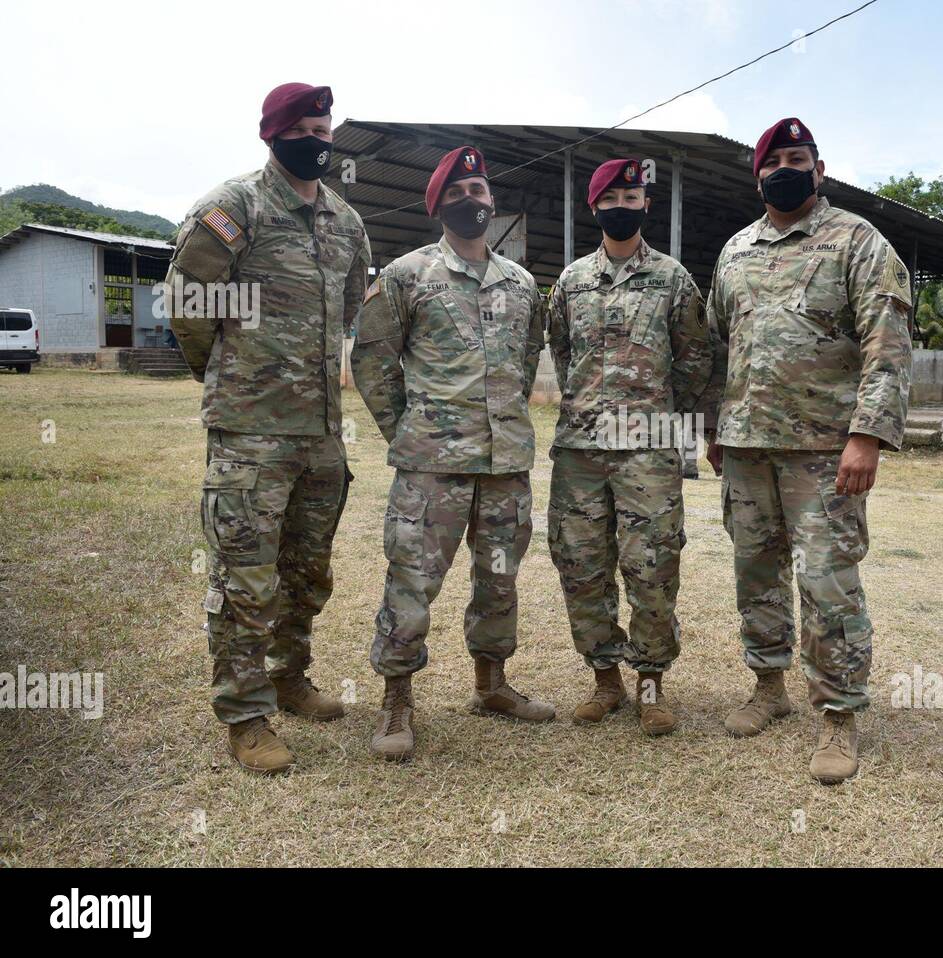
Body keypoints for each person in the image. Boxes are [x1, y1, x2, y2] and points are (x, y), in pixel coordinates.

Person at [700, 117, 913, 784]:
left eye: (799, 158)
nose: (786, 168)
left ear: (819, 171)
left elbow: (888, 345)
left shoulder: (857, 241)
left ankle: (839, 715)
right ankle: (768, 687)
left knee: (828, 583)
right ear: (758, 175)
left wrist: (867, 435)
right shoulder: (734, 252)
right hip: (746, 447)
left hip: (825, 450)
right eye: (775, 160)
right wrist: (713, 428)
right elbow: (715, 348)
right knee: (755, 573)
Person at [167, 83, 371, 774]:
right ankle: (246, 714)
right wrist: (231, 379)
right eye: (308, 128)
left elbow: (347, 314)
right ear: (274, 134)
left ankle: (290, 676)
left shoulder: (345, 222)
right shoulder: (235, 209)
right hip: (250, 434)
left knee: (305, 573)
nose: (321, 139)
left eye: (327, 127)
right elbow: (190, 305)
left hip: (320, 434)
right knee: (244, 580)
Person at [351, 145, 551, 763]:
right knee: (412, 582)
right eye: (458, 194)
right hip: (431, 467)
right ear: (438, 205)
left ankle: (491, 685)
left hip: (505, 465)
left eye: (480, 190)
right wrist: (407, 430)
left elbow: (526, 358)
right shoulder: (408, 276)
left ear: (493, 200)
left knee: (500, 580)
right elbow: (373, 360)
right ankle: (397, 698)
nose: (473, 201)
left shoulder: (521, 284)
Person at [545, 158, 711, 735]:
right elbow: (563, 353)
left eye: (631, 196)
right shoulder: (569, 281)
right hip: (581, 451)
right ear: (594, 207)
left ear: (646, 205)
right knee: (581, 565)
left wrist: (665, 421)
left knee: (653, 567)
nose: (622, 204)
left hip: (649, 449)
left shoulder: (673, 279)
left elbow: (694, 359)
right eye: (610, 197)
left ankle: (650, 682)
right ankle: (605, 680)